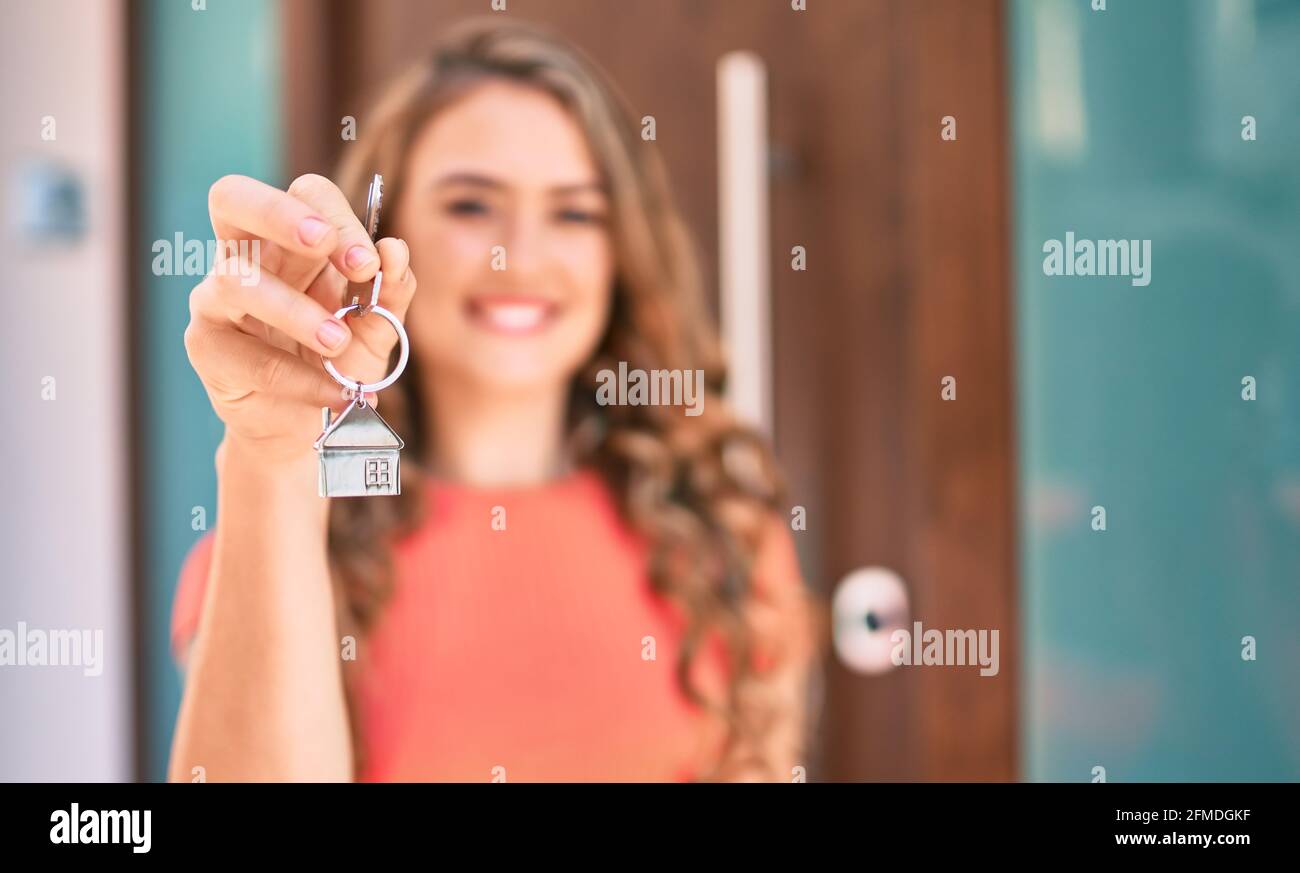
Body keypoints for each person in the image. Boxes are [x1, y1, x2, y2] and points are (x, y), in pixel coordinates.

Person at [169, 17, 819, 782]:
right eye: (472, 206)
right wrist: (270, 455)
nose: (524, 254)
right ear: (383, 241)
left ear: (620, 252)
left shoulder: (727, 535)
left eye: (575, 212)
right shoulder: (267, 543)